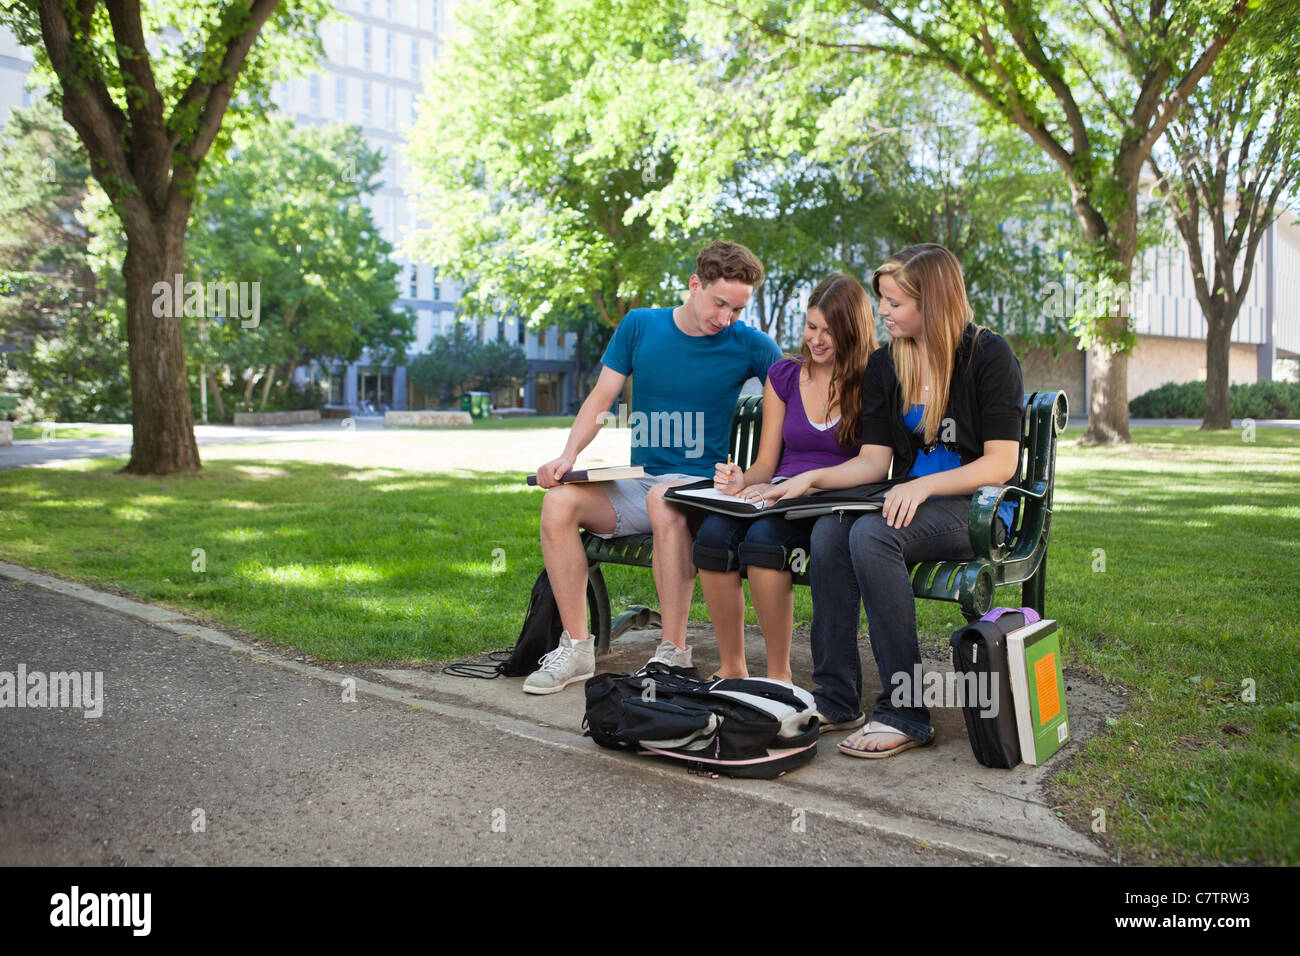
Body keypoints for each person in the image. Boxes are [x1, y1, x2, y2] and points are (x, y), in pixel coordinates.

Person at [763, 243, 1023, 755]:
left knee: (873, 535)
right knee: (832, 531)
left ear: (934, 302)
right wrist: (811, 479)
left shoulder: (989, 356)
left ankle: (905, 711)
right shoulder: (888, 363)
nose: (882, 310)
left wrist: (923, 483)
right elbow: (872, 460)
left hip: (977, 508)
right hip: (907, 501)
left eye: (895, 303)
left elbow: (1001, 464)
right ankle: (837, 696)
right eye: (882, 299)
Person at [524, 240, 783, 694]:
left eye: (737, 310)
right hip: (641, 479)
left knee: (663, 499)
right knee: (559, 503)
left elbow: (797, 398)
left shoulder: (750, 344)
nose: (726, 318)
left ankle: (673, 650)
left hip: (702, 489)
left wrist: (765, 476)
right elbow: (601, 400)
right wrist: (569, 456)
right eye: (720, 303)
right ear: (694, 284)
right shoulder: (640, 325)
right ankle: (578, 648)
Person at [690, 274, 877, 686]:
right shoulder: (785, 376)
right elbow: (765, 465)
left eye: (831, 331)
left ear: (854, 331)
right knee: (713, 535)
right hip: (779, 494)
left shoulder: (872, 380)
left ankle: (779, 675)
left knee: (762, 542)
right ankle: (733, 666)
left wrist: (809, 481)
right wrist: (742, 480)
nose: (818, 340)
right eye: (812, 327)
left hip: (831, 500)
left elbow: (876, 463)